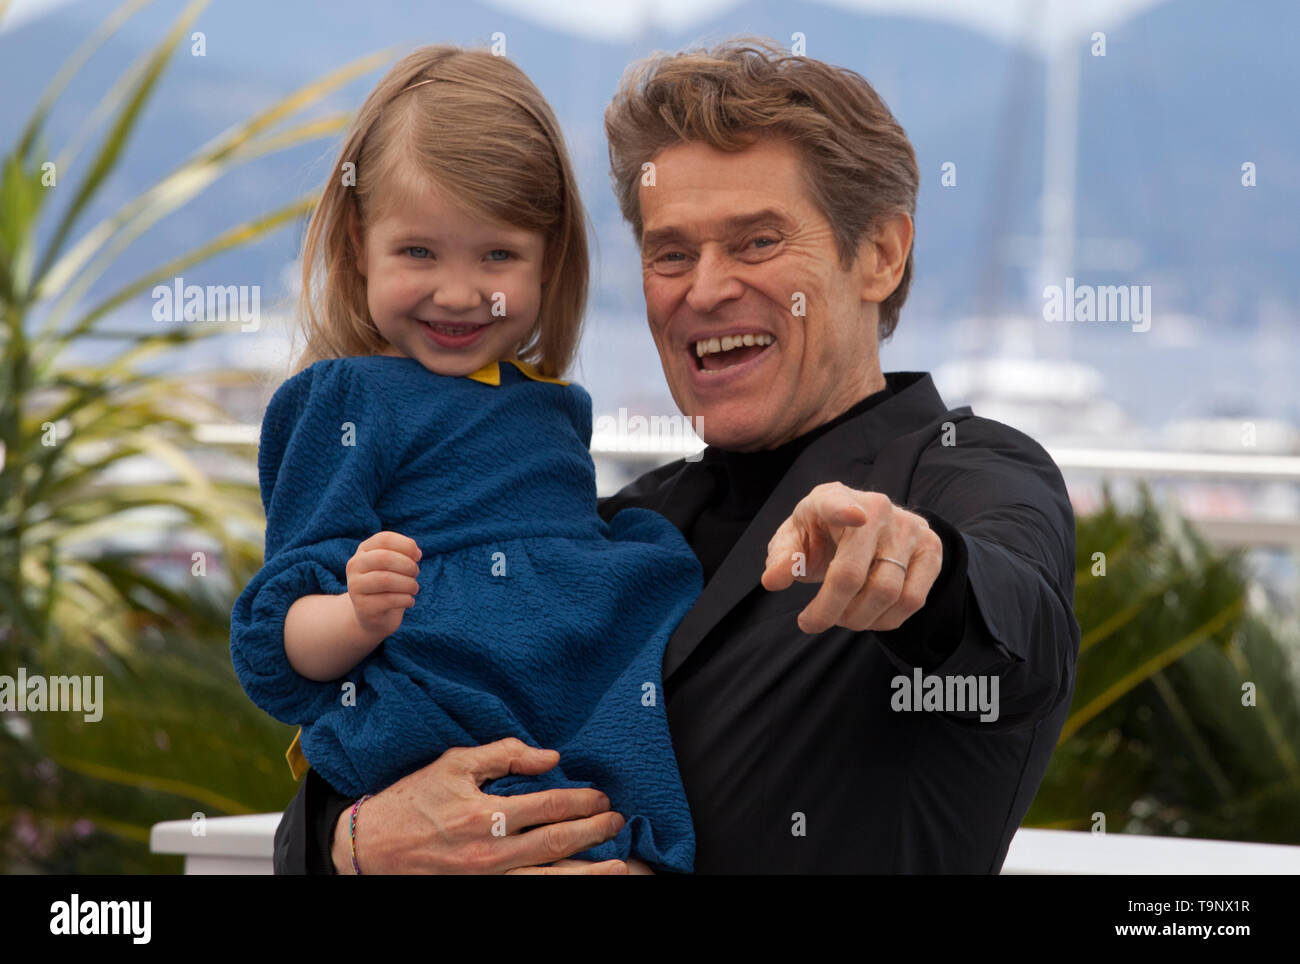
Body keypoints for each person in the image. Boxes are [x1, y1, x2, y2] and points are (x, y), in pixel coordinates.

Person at [273, 36, 1081, 875]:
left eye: (758, 242)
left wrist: (928, 569)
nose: (705, 288)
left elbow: (1024, 637)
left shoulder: (966, 471)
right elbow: (333, 791)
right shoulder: (625, 526)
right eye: (672, 254)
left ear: (880, 253)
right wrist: (358, 842)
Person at [229, 45, 703, 874]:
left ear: (548, 258)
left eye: (496, 256)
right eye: (418, 252)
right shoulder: (344, 400)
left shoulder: (551, 404)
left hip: (572, 649)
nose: (457, 292)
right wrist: (356, 615)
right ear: (358, 240)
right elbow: (279, 632)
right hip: (449, 671)